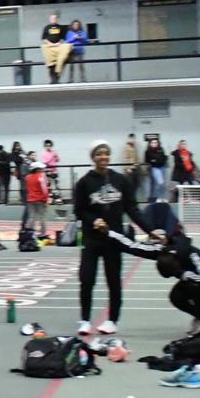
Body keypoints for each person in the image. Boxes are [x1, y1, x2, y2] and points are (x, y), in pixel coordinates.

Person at [73, 141, 141, 333]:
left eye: (106, 154)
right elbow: (79, 211)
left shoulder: (120, 180)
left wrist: (151, 229)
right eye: (99, 154)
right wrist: (93, 220)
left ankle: (112, 320)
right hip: (91, 240)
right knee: (86, 278)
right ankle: (85, 320)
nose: (103, 157)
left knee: (113, 280)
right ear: (93, 158)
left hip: (114, 239)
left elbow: (132, 208)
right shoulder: (84, 183)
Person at [19, 160, 49, 243]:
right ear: (37, 169)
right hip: (40, 199)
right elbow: (44, 190)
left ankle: (29, 231)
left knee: (32, 217)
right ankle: (43, 233)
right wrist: (46, 200)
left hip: (30, 199)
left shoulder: (27, 177)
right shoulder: (41, 177)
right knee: (42, 217)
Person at [39, 13, 69, 84]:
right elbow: (44, 38)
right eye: (52, 18)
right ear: (50, 19)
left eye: (55, 18)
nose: (53, 19)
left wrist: (58, 43)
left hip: (59, 46)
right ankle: (53, 79)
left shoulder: (61, 27)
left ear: (57, 19)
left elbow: (63, 37)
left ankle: (57, 78)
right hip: (49, 47)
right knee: (51, 64)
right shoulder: (46, 27)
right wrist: (50, 43)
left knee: (60, 62)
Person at [142, 135, 168, 204]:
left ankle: (162, 198)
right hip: (154, 168)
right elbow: (147, 160)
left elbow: (163, 158)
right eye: (153, 142)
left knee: (163, 184)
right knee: (159, 183)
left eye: (156, 142)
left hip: (162, 167)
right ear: (150, 143)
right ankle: (158, 197)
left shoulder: (161, 149)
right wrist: (154, 160)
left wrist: (155, 160)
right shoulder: (148, 151)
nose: (154, 144)